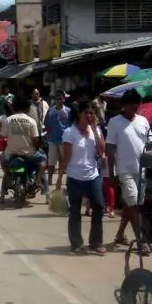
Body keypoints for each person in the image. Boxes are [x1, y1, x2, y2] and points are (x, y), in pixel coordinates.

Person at [55, 101, 107, 255]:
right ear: (80, 114)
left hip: (93, 175)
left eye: (92, 113)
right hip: (75, 176)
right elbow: (66, 157)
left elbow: (102, 149)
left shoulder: (95, 130)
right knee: (75, 210)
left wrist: (95, 131)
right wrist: (59, 178)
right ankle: (76, 243)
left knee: (99, 205)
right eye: (87, 113)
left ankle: (96, 242)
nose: (90, 116)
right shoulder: (70, 132)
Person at [106, 89, 152, 253]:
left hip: (141, 170)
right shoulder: (114, 122)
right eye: (132, 104)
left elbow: (150, 145)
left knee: (132, 204)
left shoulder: (143, 121)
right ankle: (141, 241)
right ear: (124, 105)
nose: (135, 107)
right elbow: (110, 148)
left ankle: (120, 235)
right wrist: (111, 172)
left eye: (137, 104)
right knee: (134, 205)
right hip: (124, 170)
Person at [0, 98, 48, 204]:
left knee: (4, 162)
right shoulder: (31, 121)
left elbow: (2, 136)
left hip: (11, 153)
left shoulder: (8, 120)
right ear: (27, 108)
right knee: (43, 160)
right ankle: (41, 186)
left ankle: (2, 195)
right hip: (28, 153)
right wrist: (38, 147)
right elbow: (35, 140)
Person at [44, 91, 71, 186]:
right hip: (52, 140)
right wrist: (48, 133)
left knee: (64, 161)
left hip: (65, 140)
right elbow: (46, 122)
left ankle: (61, 179)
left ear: (64, 99)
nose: (59, 100)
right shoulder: (50, 111)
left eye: (61, 98)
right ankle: (50, 180)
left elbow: (72, 125)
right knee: (51, 161)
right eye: (57, 98)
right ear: (55, 99)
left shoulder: (68, 111)